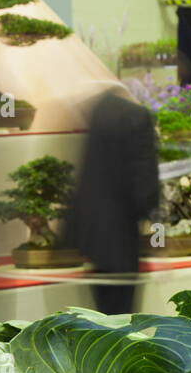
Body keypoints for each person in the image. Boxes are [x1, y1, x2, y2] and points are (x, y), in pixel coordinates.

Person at [64, 84, 160, 315]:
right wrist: (159, 234)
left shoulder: (100, 109)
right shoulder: (138, 117)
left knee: (103, 313)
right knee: (121, 316)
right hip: (121, 236)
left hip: (94, 234)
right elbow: (145, 185)